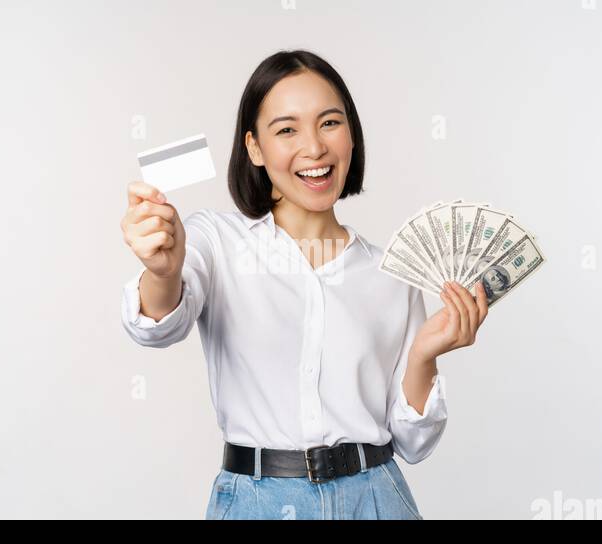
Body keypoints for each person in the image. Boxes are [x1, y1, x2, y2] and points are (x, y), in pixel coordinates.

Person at [119, 49, 490, 519]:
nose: (314, 148)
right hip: (258, 504)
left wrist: (424, 356)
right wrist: (162, 272)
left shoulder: (391, 274)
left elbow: (414, 445)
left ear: (351, 135)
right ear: (254, 147)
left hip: (376, 498)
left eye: (330, 123)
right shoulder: (216, 241)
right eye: (287, 129)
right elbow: (156, 327)